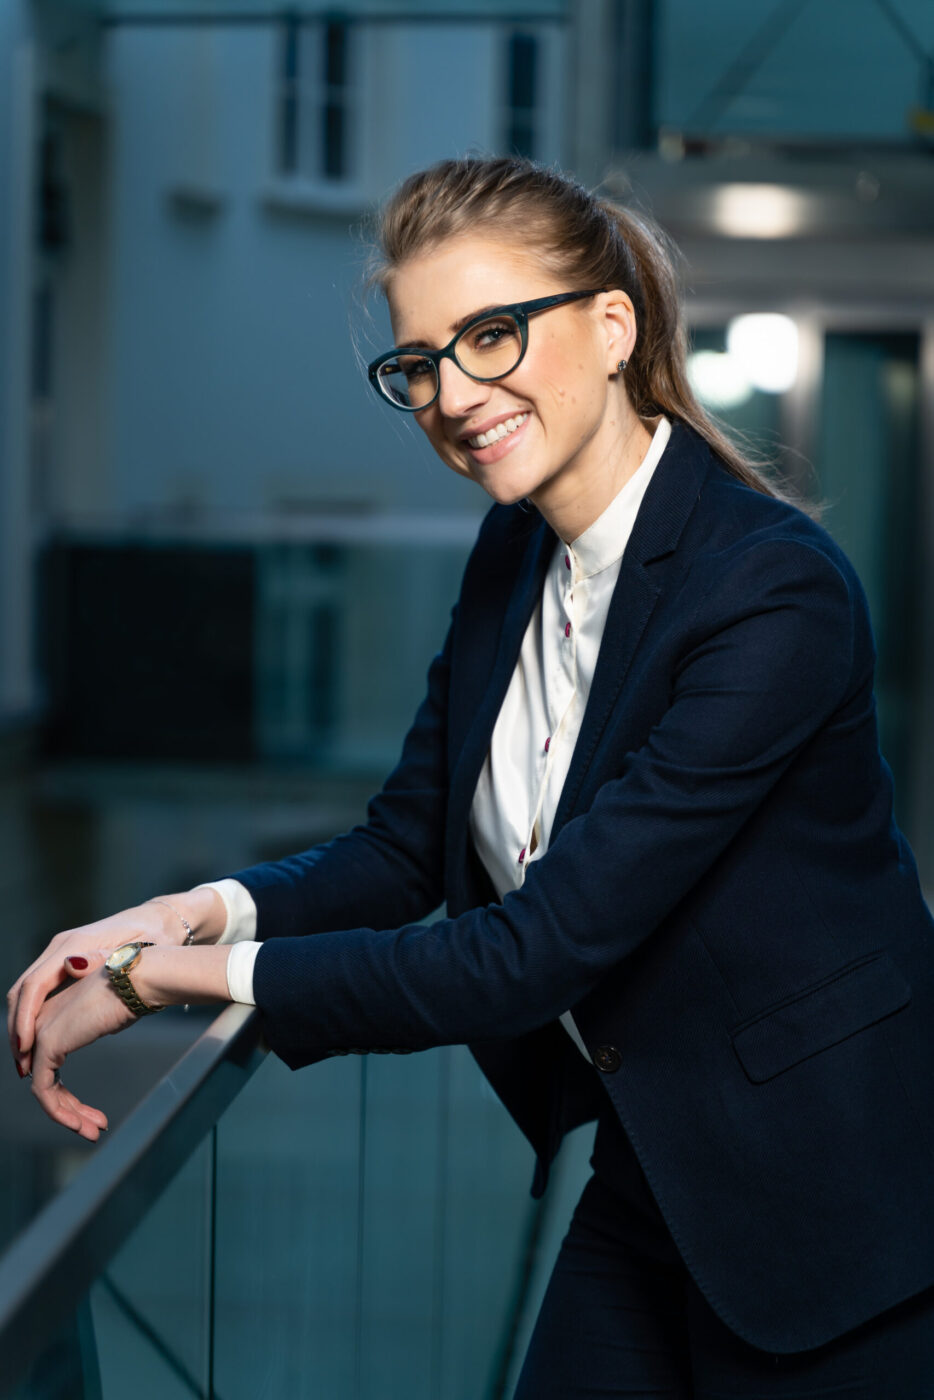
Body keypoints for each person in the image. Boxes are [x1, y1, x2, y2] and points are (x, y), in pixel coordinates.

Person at [7, 155, 934, 1397]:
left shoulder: (770, 591)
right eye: (420, 362)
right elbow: (404, 847)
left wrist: (153, 978)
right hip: (654, 1166)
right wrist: (184, 911)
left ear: (614, 327)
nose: (451, 393)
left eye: (491, 336)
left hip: (836, 1196)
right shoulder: (514, 553)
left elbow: (529, 953)